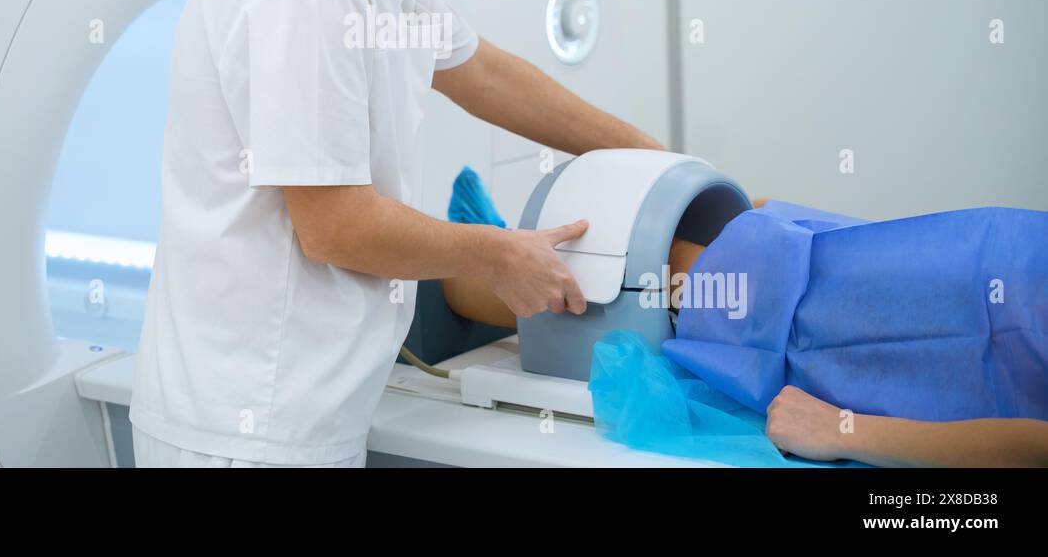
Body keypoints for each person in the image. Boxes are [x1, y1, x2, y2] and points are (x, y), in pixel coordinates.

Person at [129, 0, 664, 468]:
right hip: (247, 431)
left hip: (298, 419)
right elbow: (334, 226)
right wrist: (496, 254)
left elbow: (483, 76)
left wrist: (658, 160)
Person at [444, 210, 1048, 467]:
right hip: (987, 264)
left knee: (702, 289)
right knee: (734, 261)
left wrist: (845, 430)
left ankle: (456, 277)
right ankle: (469, 265)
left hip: (967, 353)